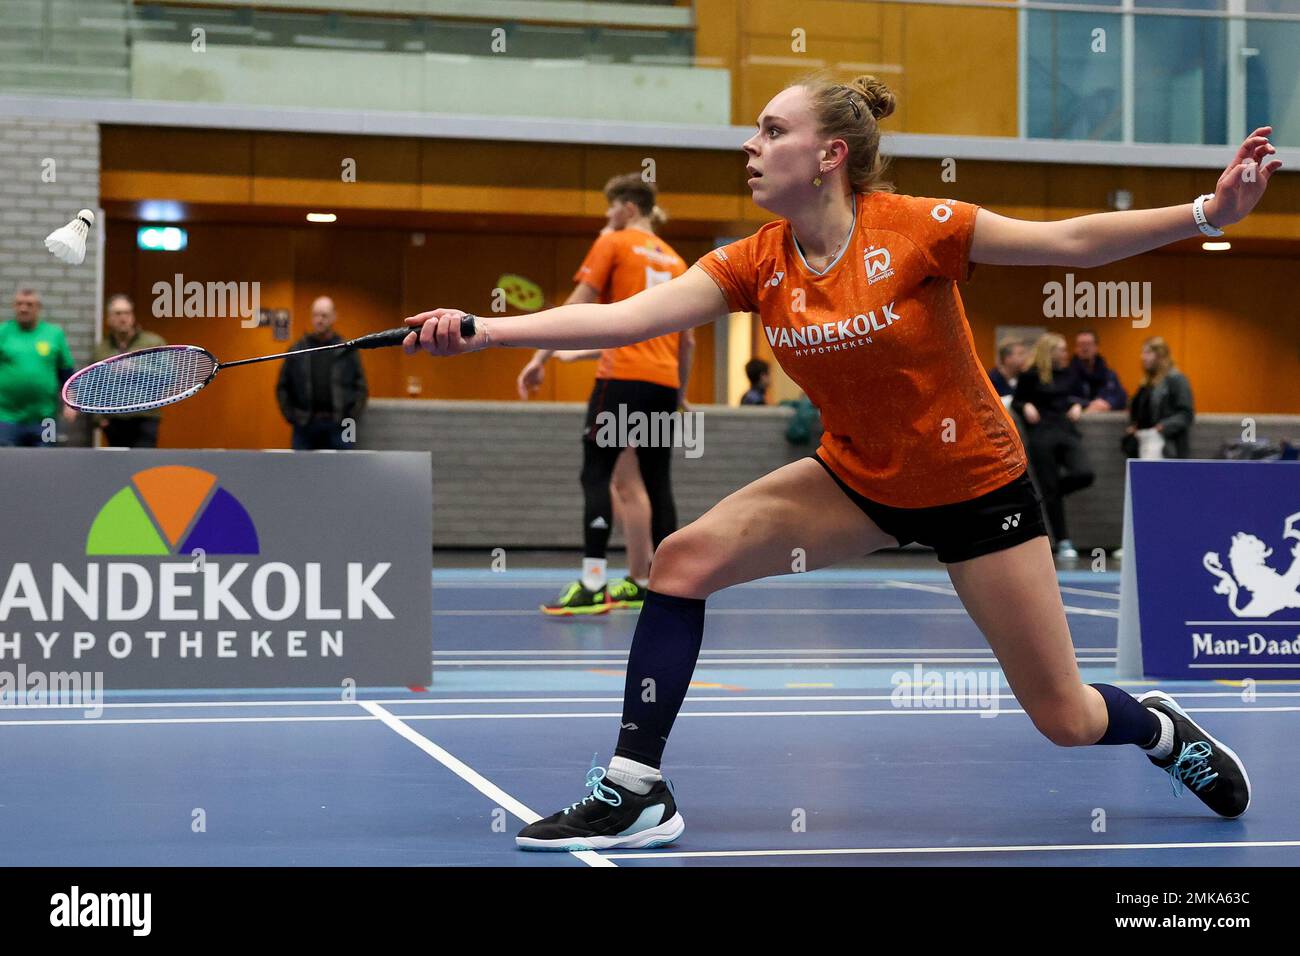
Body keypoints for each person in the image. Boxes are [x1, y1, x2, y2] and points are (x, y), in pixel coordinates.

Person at [405, 74, 1276, 849]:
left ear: (827, 155)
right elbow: (628, 320)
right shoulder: (756, 262)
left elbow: (1073, 243)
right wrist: (484, 329)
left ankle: (1160, 732)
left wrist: (1211, 213)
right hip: (856, 479)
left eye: (771, 131)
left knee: (1066, 717)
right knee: (679, 564)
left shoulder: (920, 228)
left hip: (976, 487)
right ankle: (637, 789)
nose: (751, 146)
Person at [516, 173, 694, 616]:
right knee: (656, 481)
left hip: (621, 382)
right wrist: (682, 393)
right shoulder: (678, 262)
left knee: (595, 474)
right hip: (663, 385)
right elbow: (685, 341)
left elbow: (577, 306)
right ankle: (658, 583)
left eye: (610, 207)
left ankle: (593, 582)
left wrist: (539, 358)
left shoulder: (613, 244)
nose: (607, 217)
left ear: (628, 208)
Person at [1011, 334, 1094, 560]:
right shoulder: (1030, 375)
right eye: (1061, 350)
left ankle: (1052, 493)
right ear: (1049, 351)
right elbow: (1017, 400)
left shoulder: (1070, 373)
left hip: (1065, 430)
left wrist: (1078, 404)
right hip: (1041, 433)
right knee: (1049, 487)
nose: (1065, 354)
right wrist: (1026, 405)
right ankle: (1063, 540)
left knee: (1084, 473)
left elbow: (1081, 395)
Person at [275, 296, 367, 450]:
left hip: (341, 425)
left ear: (334, 317)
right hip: (305, 427)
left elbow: (361, 387)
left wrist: (350, 415)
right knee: (302, 471)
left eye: (324, 315)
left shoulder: (347, 350)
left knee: (343, 470)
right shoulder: (298, 349)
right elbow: (282, 387)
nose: (319, 320)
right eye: (316, 315)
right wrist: (293, 417)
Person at [0, 284, 76, 447]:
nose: (23, 308)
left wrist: (70, 404)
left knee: (46, 463)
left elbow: (67, 372)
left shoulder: (54, 334)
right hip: (6, 418)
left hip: (46, 418)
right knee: (7, 465)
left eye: (29, 304)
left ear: (38, 308)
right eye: (19, 304)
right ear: (14, 306)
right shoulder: (3, 332)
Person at [94, 294, 166, 447]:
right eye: (118, 314)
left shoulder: (153, 342)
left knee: (142, 465)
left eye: (127, 313)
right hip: (114, 421)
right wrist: (99, 418)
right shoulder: (102, 348)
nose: (123, 318)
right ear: (109, 319)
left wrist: (135, 369)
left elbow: (169, 374)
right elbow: (94, 384)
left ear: (132, 316)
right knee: (119, 468)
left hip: (145, 418)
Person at [1124, 336, 1194, 459]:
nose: (1143, 357)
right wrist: (1135, 426)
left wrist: (1162, 427)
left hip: (1165, 445)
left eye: (1148, 353)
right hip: (1143, 441)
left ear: (1160, 355)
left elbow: (1186, 414)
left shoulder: (1176, 379)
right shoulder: (1147, 382)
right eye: (1142, 353)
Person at [1069, 329, 1128, 412]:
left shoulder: (1109, 375)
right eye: (1081, 344)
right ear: (1076, 348)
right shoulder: (1067, 375)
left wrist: (1108, 403)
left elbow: (1120, 397)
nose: (1085, 348)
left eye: (1088, 344)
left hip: (1104, 422)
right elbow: (1063, 398)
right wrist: (1086, 405)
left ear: (1096, 347)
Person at [987, 339, 1028, 408]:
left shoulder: (1025, 377)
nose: (1025, 358)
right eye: (1020, 354)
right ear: (1007, 358)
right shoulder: (990, 380)